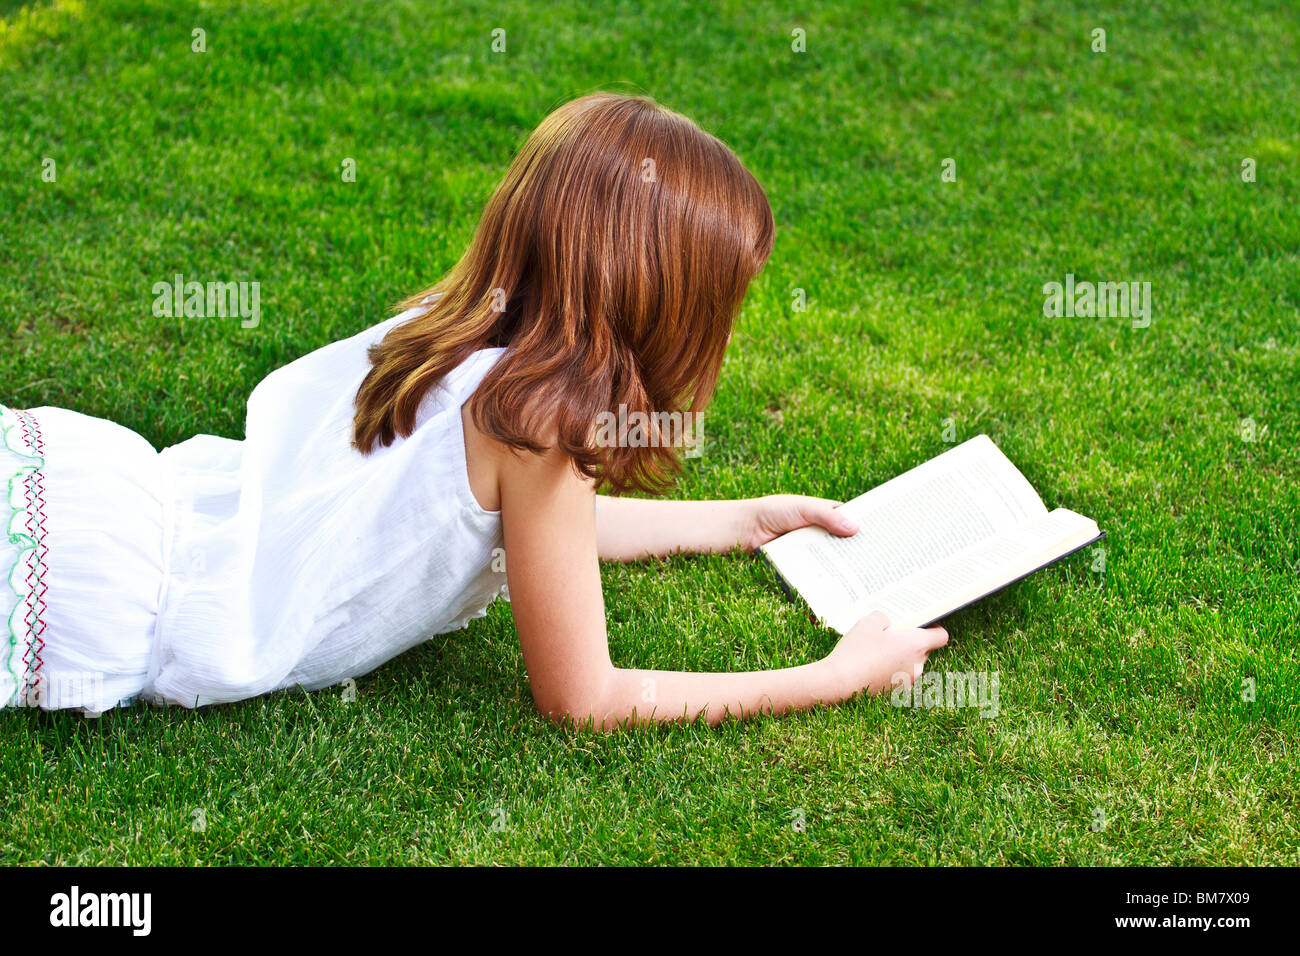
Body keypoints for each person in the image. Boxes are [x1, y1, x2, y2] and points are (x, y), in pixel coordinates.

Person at [1, 93, 946, 726]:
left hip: (105, 497)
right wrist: (832, 678)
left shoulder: (465, 338)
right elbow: (585, 696)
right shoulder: (534, 432)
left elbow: (537, 531)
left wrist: (742, 520)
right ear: (661, 303)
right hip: (113, 596)